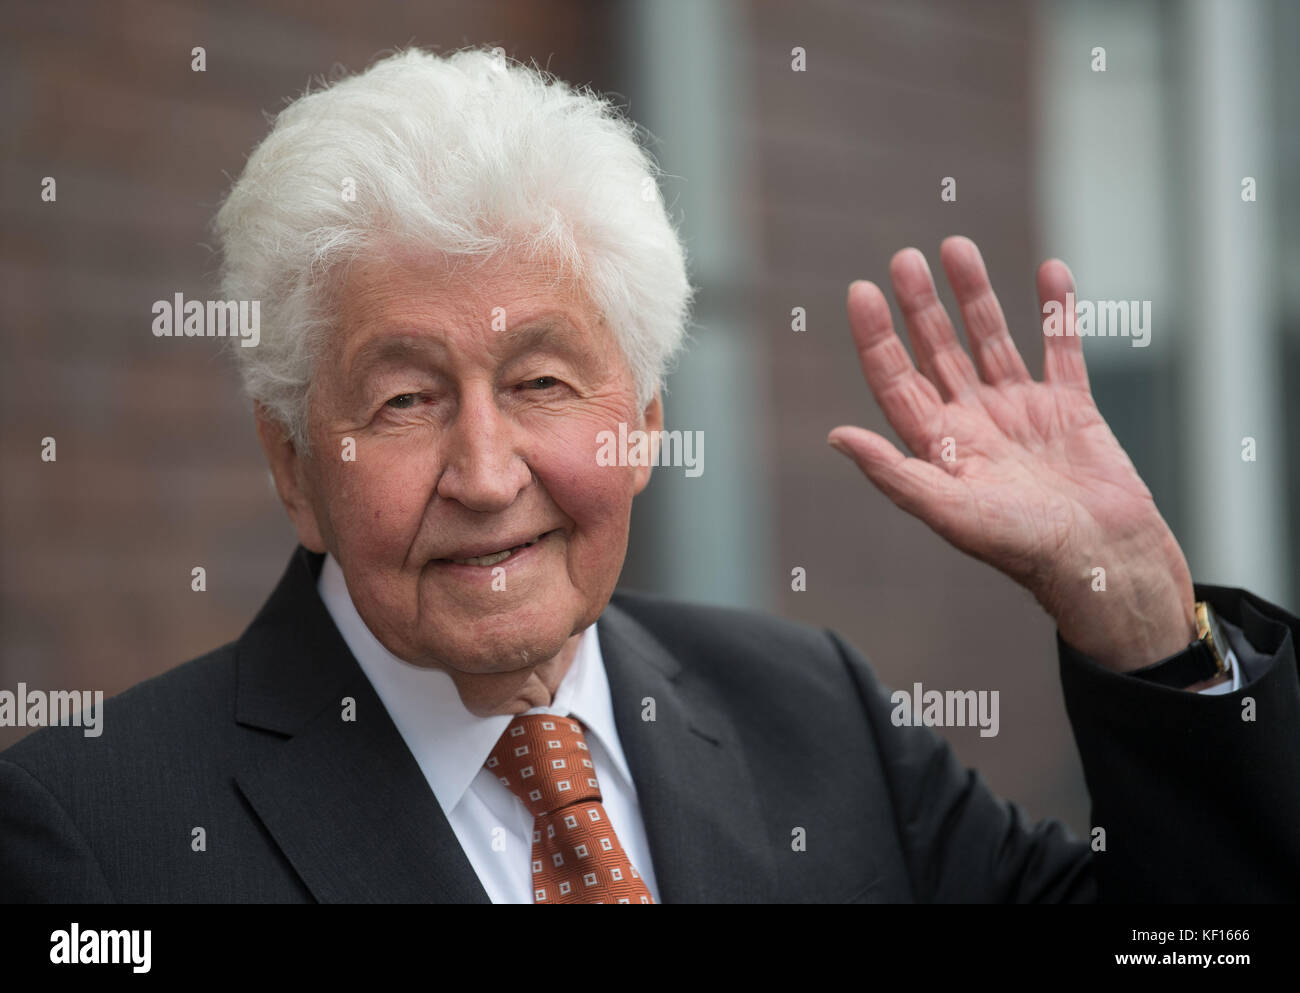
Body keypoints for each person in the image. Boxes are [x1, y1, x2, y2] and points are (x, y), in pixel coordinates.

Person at [2, 47, 1296, 903]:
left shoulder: (815, 717)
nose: (485, 471)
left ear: (645, 421)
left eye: (540, 383)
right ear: (293, 466)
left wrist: (1142, 620)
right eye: (404, 400)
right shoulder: (94, 837)